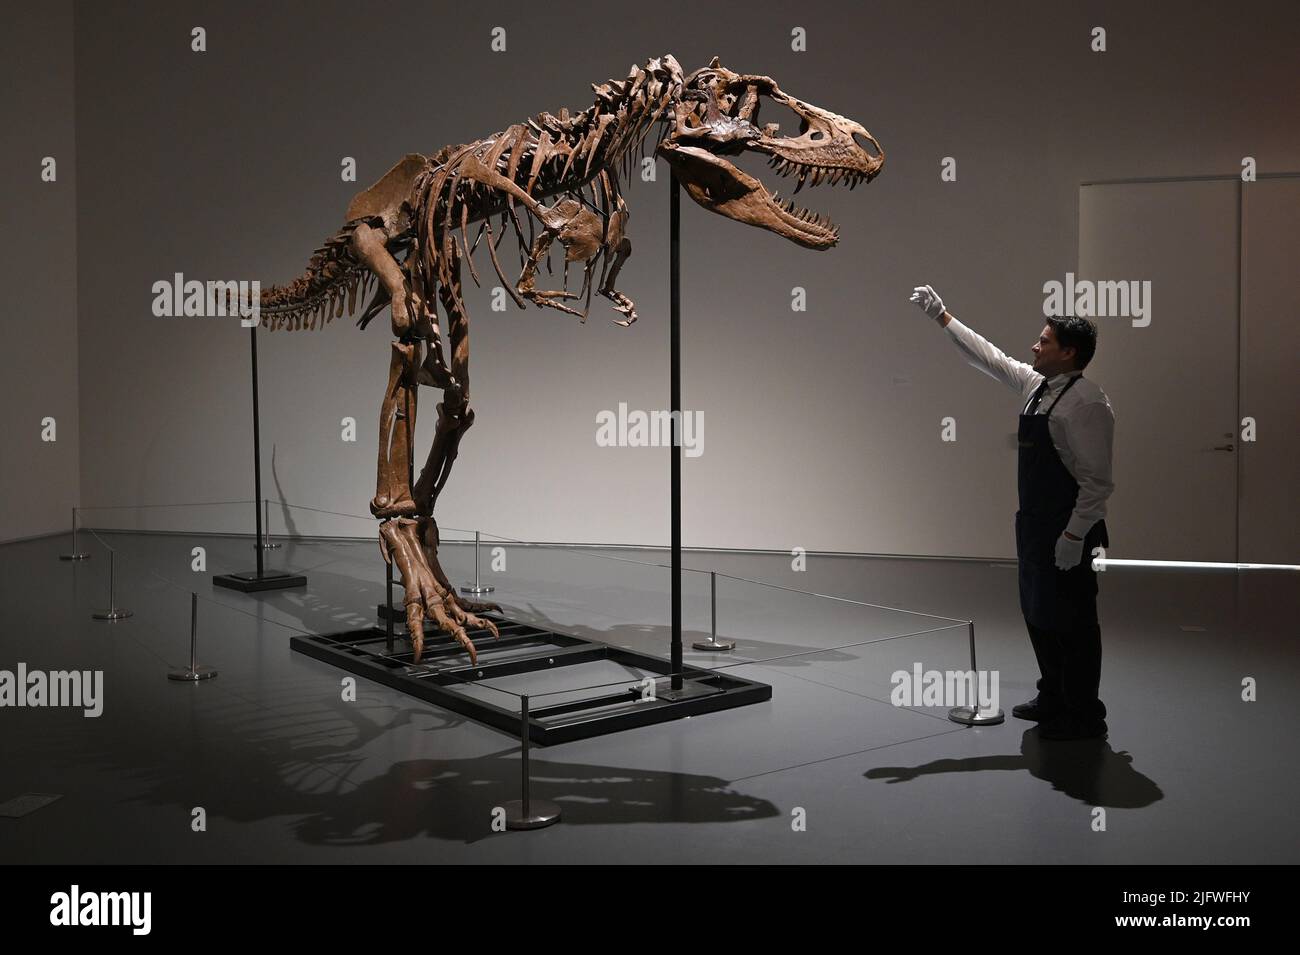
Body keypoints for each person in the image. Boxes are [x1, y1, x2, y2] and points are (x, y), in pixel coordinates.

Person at [910, 284, 1115, 740]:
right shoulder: (1037, 386)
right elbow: (989, 357)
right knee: (1039, 612)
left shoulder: (1088, 404)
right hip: (1035, 525)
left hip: (1066, 531)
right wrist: (943, 317)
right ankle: (1053, 695)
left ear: (1069, 353)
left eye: (1044, 341)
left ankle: (1084, 713)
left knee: (1075, 623)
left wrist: (1074, 537)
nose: (1034, 346)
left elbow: (1097, 483)